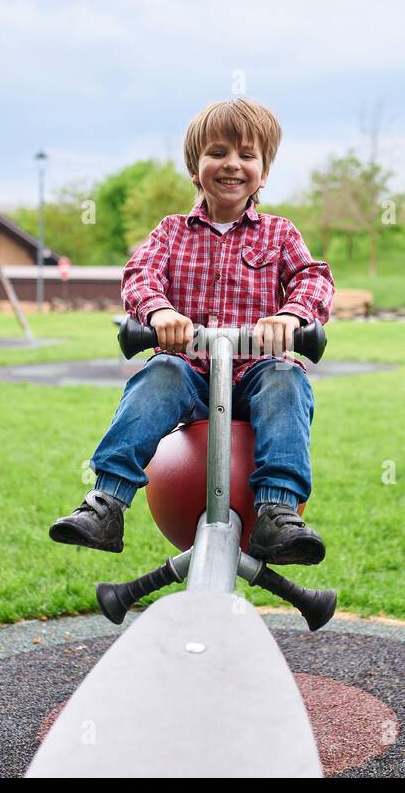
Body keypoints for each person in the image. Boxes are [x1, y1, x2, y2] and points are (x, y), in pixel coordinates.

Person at [49, 97, 335, 565]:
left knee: (288, 379)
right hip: (192, 373)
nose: (231, 164)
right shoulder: (171, 233)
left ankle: (278, 511)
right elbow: (139, 274)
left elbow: (313, 277)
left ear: (263, 174)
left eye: (247, 155)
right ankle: (106, 502)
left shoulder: (280, 234)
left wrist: (292, 317)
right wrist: (159, 313)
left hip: (257, 371)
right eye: (217, 152)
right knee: (159, 371)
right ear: (194, 166)